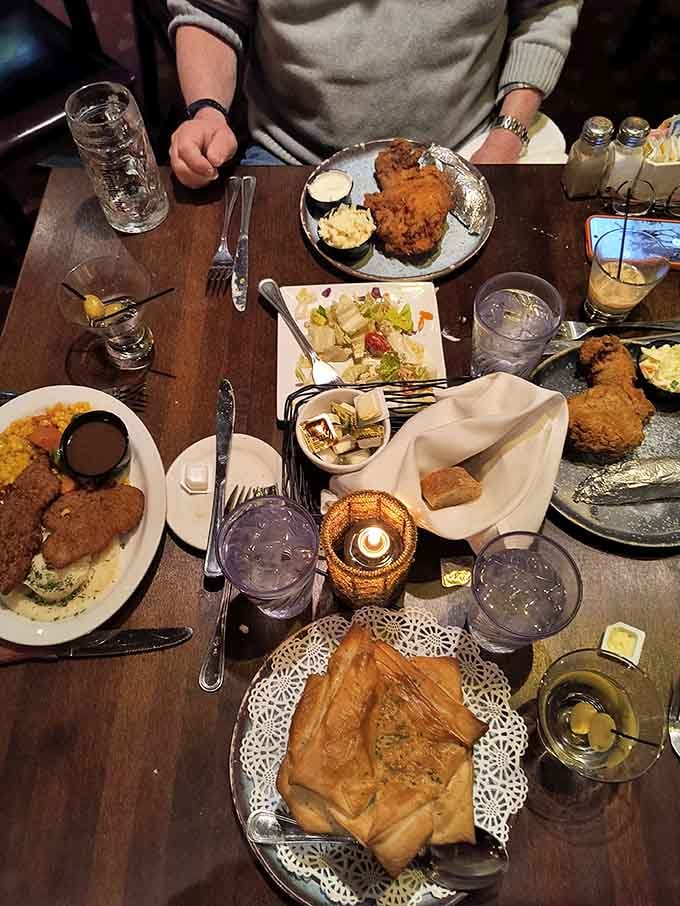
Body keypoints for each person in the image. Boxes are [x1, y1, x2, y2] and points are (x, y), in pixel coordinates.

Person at [167, 1, 582, 188]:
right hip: (290, 151)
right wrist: (207, 112)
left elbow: (545, 10)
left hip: (466, 147)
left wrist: (508, 134)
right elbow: (211, 10)